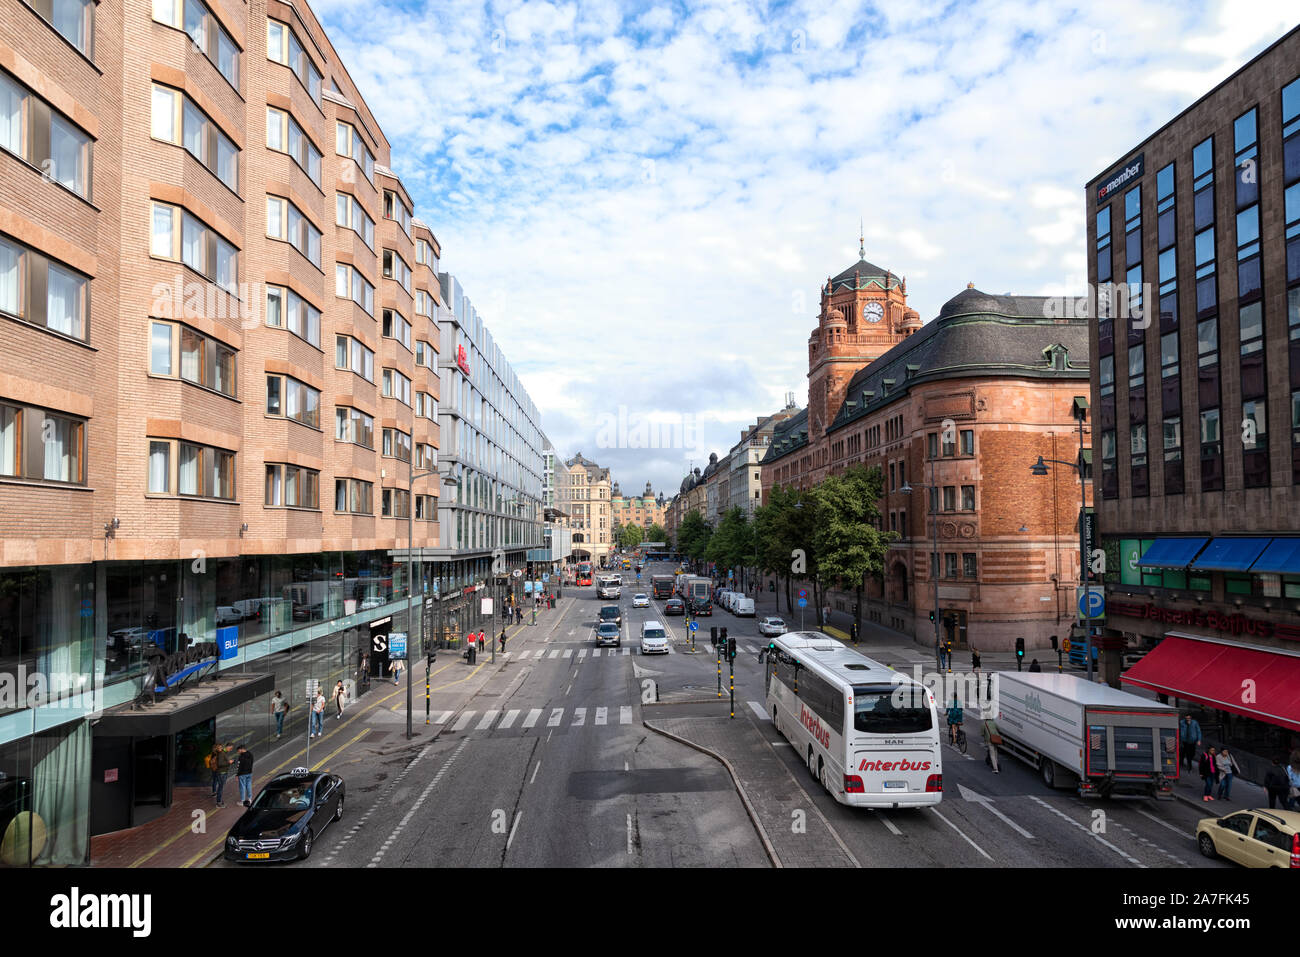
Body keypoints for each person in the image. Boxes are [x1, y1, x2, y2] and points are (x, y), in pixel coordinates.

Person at [212, 741, 234, 808]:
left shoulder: (224, 753)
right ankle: (219, 803)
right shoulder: (222, 753)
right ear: (228, 747)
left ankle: (220, 801)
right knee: (220, 788)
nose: (231, 750)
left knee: (221, 787)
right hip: (221, 773)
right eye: (231, 748)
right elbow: (220, 764)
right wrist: (229, 762)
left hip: (223, 772)